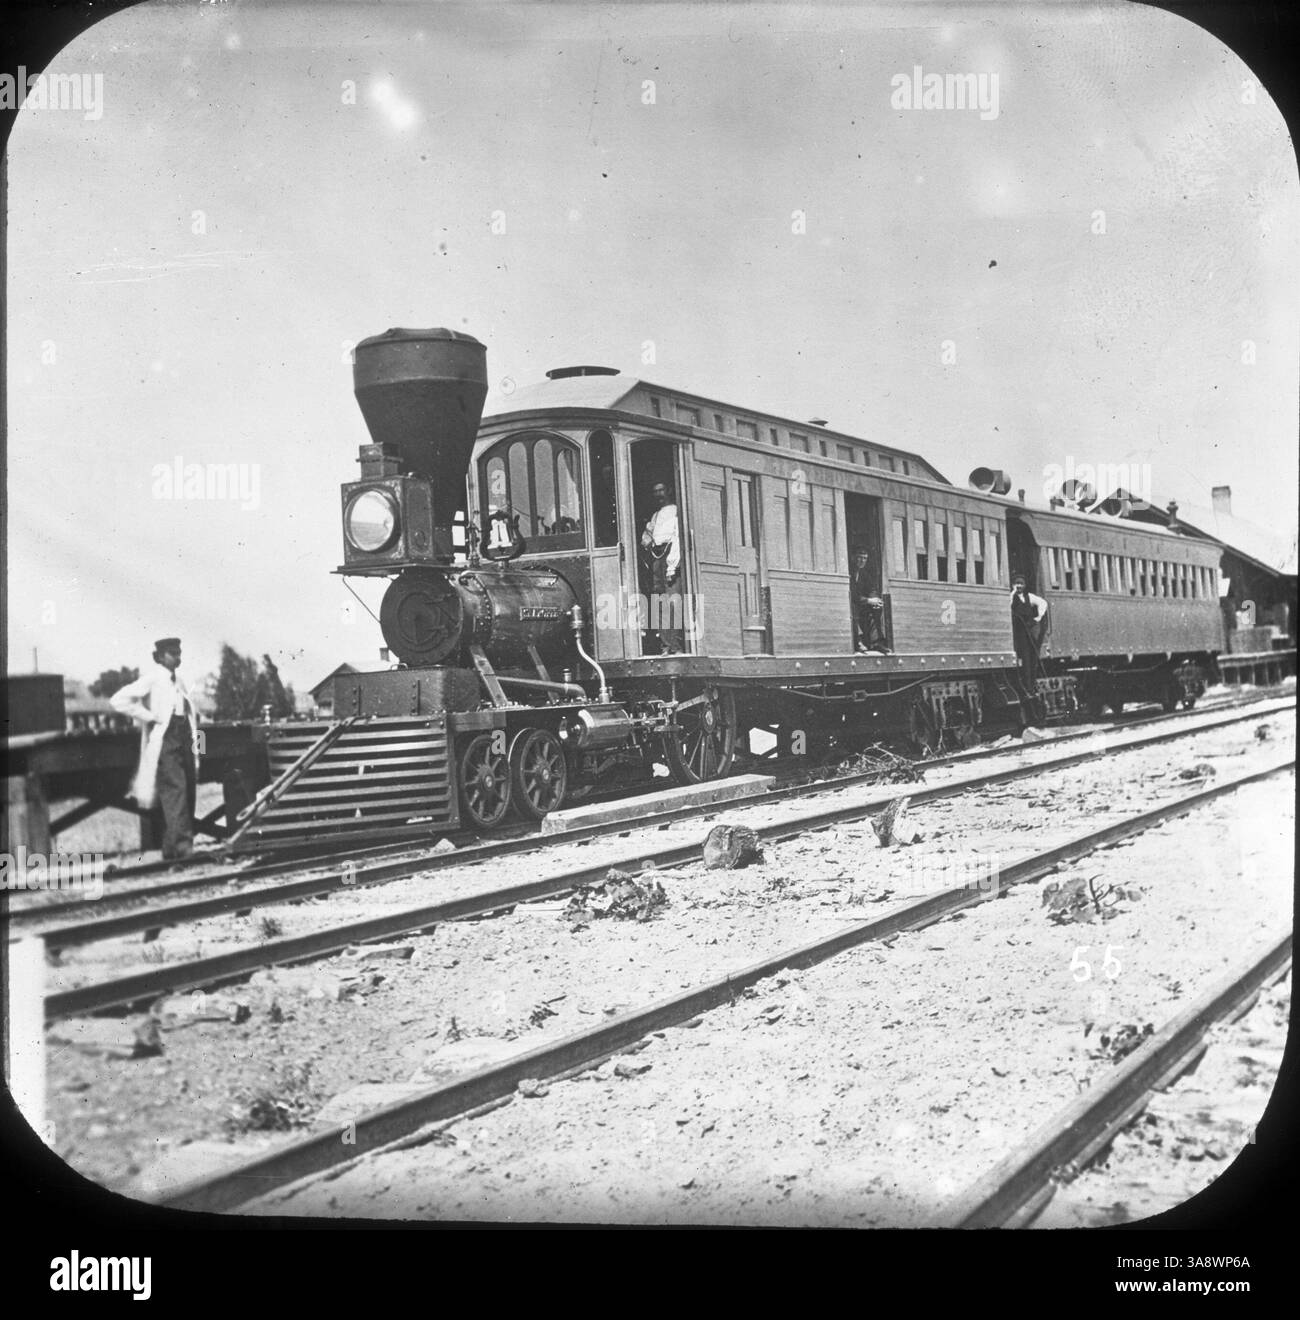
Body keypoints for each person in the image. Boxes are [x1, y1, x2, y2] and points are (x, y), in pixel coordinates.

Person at [111, 637, 201, 860]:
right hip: (166, 740)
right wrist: (150, 717)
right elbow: (119, 700)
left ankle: (172, 848)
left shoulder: (179, 682)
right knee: (175, 791)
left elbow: (191, 716)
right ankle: (183, 848)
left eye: (179, 652)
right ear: (160, 656)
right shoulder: (152, 679)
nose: (177, 657)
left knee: (188, 789)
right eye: (172, 653)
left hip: (185, 738)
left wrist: (197, 747)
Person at [640, 480, 685, 653]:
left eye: (661, 490)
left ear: (669, 491)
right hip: (657, 558)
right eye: (655, 492)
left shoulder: (675, 512)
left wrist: (672, 565)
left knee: (673, 602)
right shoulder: (656, 516)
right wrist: (647, 540)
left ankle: (676, 645)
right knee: (659, 602)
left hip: (671, 557)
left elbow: (678, 538)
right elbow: (647, 535)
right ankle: (666, 645)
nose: (658, 495)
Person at [851, 547, 890, 653]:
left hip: (861, 603)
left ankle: (876, 642)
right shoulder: (850, 572)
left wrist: (875, 600)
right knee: (852, 609)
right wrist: (868, 600)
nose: (862, 561)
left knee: (875, 609)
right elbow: (853, 595)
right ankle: (858, 640)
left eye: (864, 558)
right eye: (859, 557)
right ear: (853, 558)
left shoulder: (864, 574)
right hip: (852, 603)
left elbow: (871, 588)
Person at [1009, 574, 1049, 679]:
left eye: (1021, 583)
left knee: (1032, 657)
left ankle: (1032, 683)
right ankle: (1027, 686)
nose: (1019, 586)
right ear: (1013, 585)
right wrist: (1013, 593)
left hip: (1028, 631)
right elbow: (1009, 605)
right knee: (1024, 658)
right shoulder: (1011, 597)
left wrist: (1038, 617)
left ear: (1025, 585)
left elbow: (1043, 603)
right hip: (1018, 632)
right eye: (1017, 583)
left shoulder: (1029, 597)